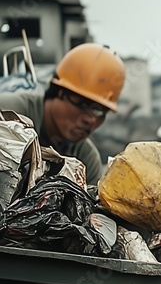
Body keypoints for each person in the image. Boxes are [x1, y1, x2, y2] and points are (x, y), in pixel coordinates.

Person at [0, 43, 125, 186]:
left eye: (99, 111)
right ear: (59, 91)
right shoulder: (7, 115)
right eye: (83, 103)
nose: (90, 119)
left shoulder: (86, 159)